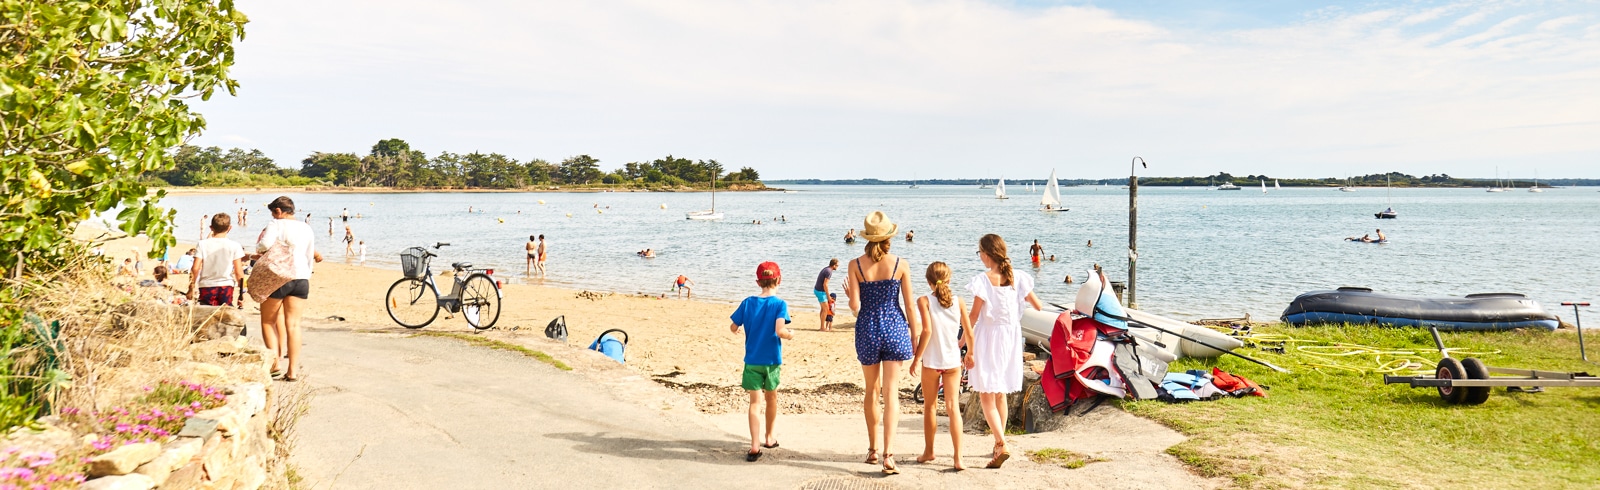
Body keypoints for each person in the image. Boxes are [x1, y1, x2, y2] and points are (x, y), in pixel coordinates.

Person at [844, 211, 919, 475]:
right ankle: (889, 455)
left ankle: (872, 450)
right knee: (891, 393)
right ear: (889, 238)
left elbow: (855, 307)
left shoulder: (856, 265)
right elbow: (910, 306)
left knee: (871, 391)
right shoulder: (901, 264)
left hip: (868, 328)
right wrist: (915, 335)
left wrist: (849, 295)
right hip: (894, 327)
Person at [966, 233, 1042, 469]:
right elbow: (1037, 305)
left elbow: (974, 316)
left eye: (980, 253)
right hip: (1010, 339)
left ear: (987, 255)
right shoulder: (1018, 277)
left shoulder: (983, 280)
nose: (979, 257)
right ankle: (1000, 443)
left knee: (986, 394)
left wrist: (963, 339)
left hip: (988, 337)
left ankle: (1001, 442)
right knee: (1000, 394)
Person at [729, 261, 794, 462]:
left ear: (758, 282)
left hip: (752, 360)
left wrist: (737, 329)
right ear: (779, 280)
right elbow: (779, 330)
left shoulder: (748, 302)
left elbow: (733, 326)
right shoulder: (779, 304)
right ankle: (769, 437)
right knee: (771, 398)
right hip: (772, 360)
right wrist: (790, 335)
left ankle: (754, 445)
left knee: (754, 403)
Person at [256, 196, 323, 382]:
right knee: (293, 325)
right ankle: (292, 371)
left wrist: (258, 249)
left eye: (273, 213)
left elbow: (264, 245)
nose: (273, 216)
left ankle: (275, 363)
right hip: (301, 277)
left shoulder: (275, 224)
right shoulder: (306, 228)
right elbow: (309, 253)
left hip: (278, 277)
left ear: (278, 211)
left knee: (268, 322)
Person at [915, 261, 974, 470]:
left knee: (930, 407)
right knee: (952, 409)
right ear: (949, 279)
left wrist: (916, 359)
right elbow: (969, 331)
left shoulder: (924, 301)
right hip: (952, 362)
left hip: (931, 362)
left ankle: (929, 452)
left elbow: (927, 331)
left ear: (929, 282)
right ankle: (958, 458)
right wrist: (971, 354)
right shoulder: (959, 301)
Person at [189, 213, 246, 308]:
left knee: (207, 314)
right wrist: (241, 293)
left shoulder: (202, 244)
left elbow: (195, 268)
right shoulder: (235, 245)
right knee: (224, 315)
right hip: (226, 286)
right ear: (230, 228)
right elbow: (239, 272)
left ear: (211, 228)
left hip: (207, 285)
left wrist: (191, 288)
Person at [814, 259, 839, 331]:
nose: (837, 267)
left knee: (823, 309)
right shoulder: (829, 271)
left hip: (818, 290)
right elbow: (825, 284)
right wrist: (828, 296)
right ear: (833, 265)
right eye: (837, 265)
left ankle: (822, 326)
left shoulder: (826, 269)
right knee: (826, 309)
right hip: (820, 291)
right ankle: (822, 327)